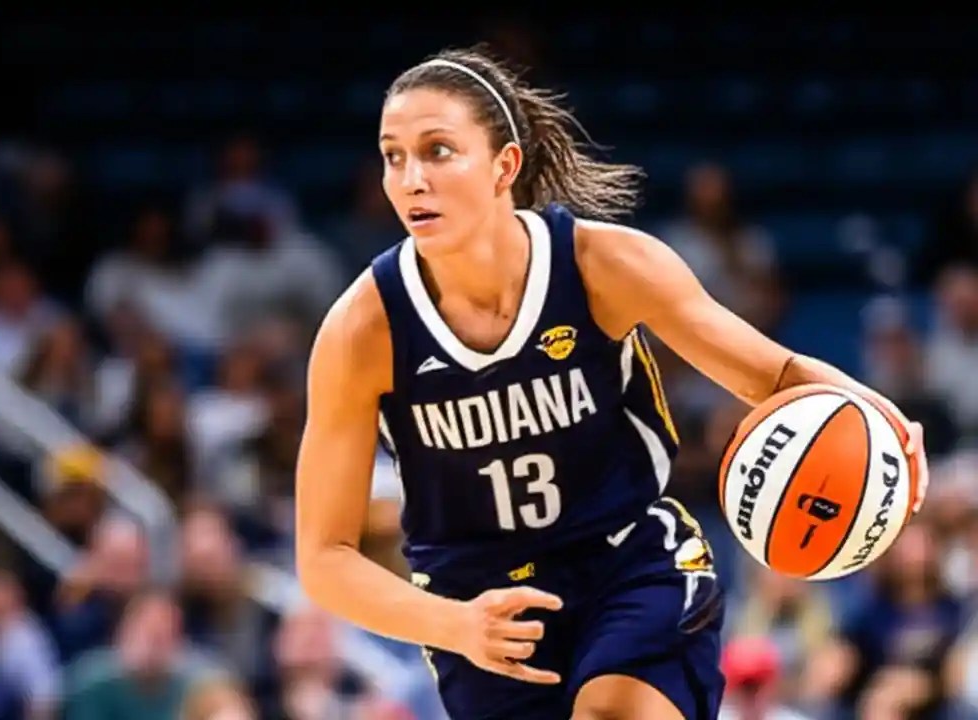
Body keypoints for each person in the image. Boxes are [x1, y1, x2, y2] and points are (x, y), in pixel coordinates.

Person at [293, 46, 931, 720]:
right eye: (393, 156)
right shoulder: (362, 331)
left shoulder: (602, 264)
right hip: (481, 609)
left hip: (628, 563)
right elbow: (325, 557)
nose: (411, 179)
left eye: (438, 151)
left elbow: (773, 374)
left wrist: (881, 419)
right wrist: (452, 624)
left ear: (505, 165)